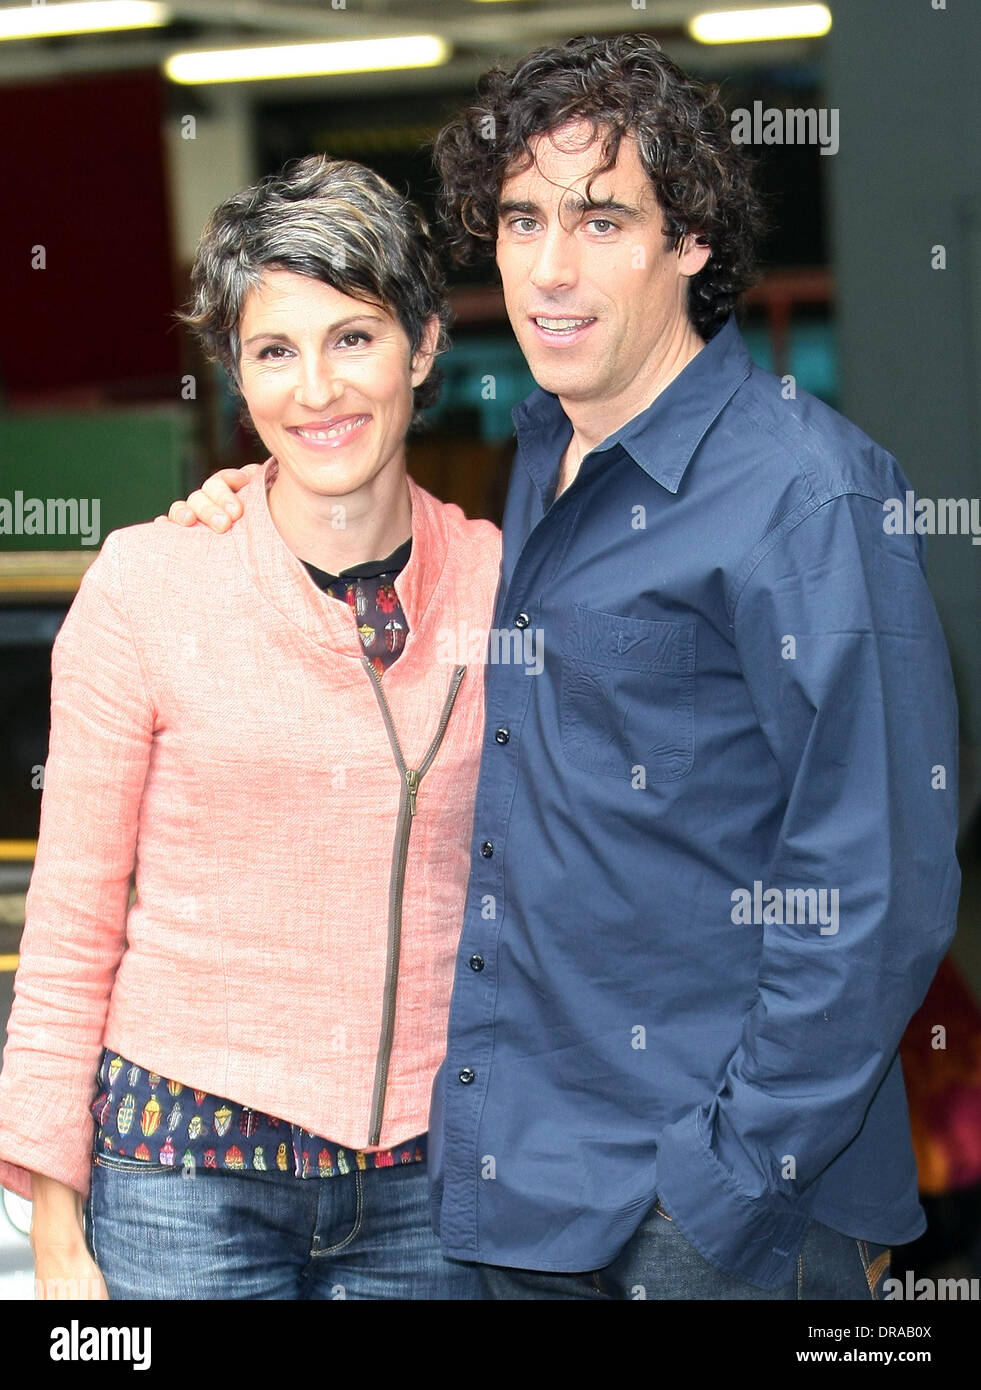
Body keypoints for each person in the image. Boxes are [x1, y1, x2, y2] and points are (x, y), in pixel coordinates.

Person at [166, 35, 961, 1300]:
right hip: (521, 1201)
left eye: (600, 219)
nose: (548, 267)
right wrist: (249, 506)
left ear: (690, 240)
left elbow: (881, 886)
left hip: (709, 1218)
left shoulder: (808, 496)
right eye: (522, 218)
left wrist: (726, 1187)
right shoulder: (539, 464)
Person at [0, 155, 500, 1301]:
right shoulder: (150, 584)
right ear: (236, 374)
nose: (316, 389)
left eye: (354, 338)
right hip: (181, 1181)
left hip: (427, 1194)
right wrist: (57, 1235)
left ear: (423, 348)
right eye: (276, 350)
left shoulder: (499, 584)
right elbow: (71, 921)